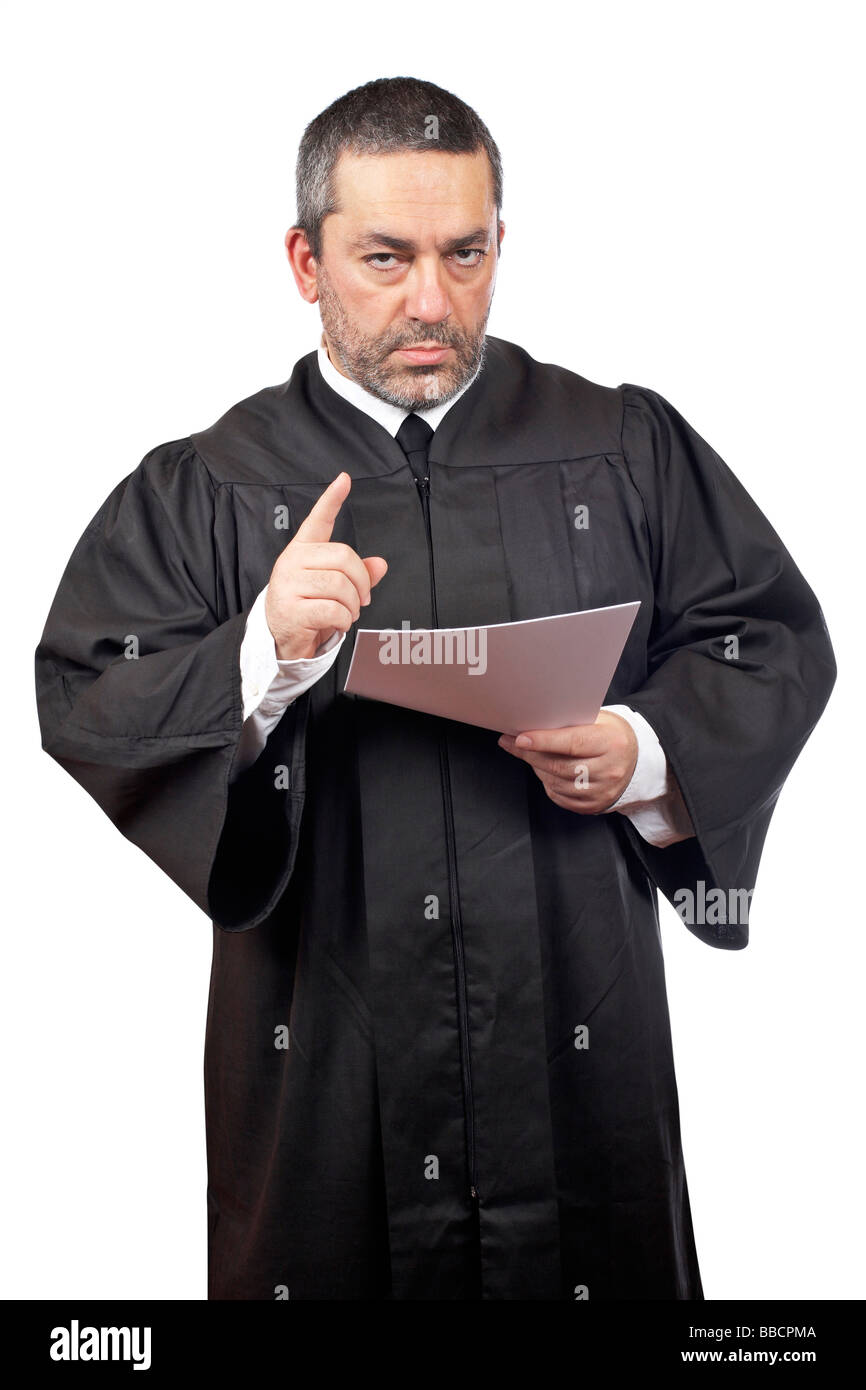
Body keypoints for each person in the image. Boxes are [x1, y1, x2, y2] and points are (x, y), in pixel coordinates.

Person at [35, 75, 836, 1301]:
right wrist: (257, 654)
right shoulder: (208, 482)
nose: (430, 299)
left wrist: (646, 751)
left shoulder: (617, 443)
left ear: (500, 243)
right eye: (384, 256)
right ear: (304, 262)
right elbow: (91, 684)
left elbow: (766, 638)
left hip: (577, 1021)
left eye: (464, 253)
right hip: (325, 1051)